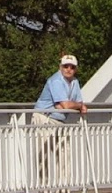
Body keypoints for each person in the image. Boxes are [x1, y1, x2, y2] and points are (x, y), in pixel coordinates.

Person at [32, 54, 87, 185]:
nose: (69, 69)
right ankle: (45, 189)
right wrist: (78, 106)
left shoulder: (75, 82)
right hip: (44, 117)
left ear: (76, 69)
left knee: (64, 153)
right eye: (65, 66)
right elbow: (67, 105)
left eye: (72, 67)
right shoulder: (56, 80)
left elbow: (72, 103)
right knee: (43, 154)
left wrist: (74, 104)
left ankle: (63, 188)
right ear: (60, 67)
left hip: (59, 120)